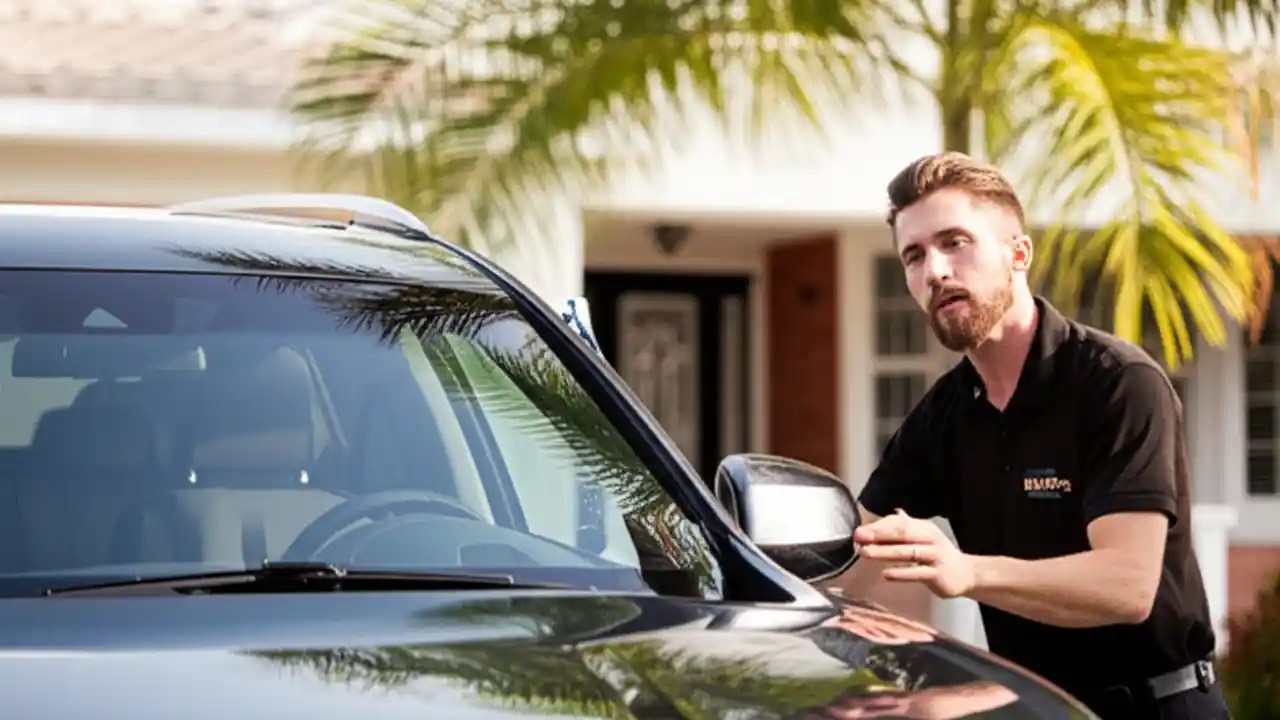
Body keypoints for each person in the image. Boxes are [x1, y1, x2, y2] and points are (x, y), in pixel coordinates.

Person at [845, 151, 1230, 719]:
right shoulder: (944, 415)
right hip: (1034, 709)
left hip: (1159, 707)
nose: (935, 271)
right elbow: (856, 551)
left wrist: (968, 571)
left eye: (955, 242)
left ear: (1018, 253)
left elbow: (1127, 586)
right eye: (914, 256)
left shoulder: (1118, 383)